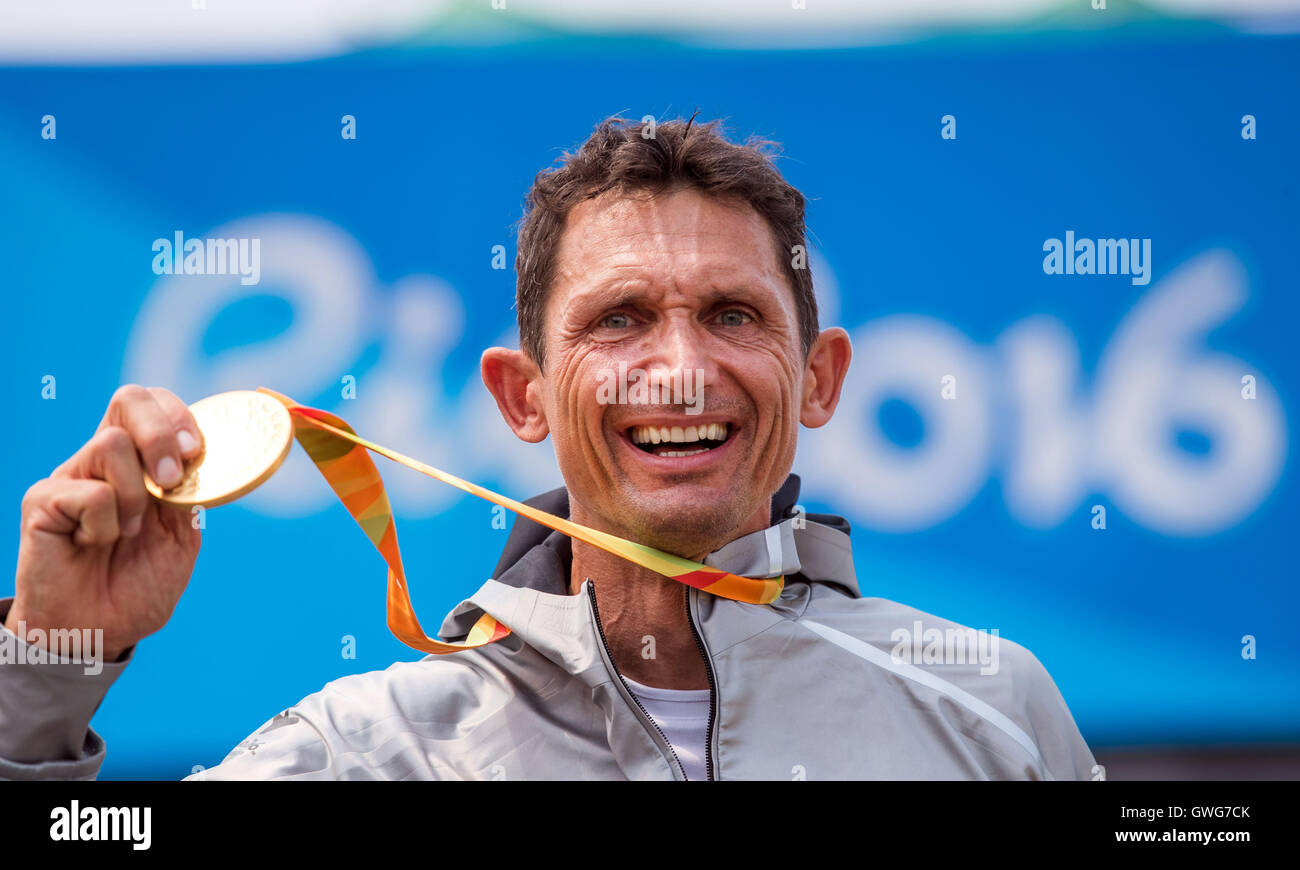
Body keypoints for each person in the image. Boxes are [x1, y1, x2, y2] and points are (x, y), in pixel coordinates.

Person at [0, 116, 1096, 780]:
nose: (678, 368)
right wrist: (45, 662)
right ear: (521, 396)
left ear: (818, 379)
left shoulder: (992, 710)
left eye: (732, 315)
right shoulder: (369, 753)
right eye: (619, 319)